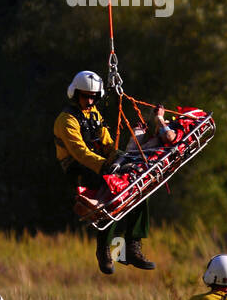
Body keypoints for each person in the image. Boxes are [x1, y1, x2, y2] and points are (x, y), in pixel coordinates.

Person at [54, 69, 155, 275]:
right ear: (76, 94)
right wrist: (107, 166)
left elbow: (107, 144)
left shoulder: (94, 115)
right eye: (85, 96)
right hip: (78, 169)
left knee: (138, 185)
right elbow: (79, 152)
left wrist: (122, 158)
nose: (90, 101)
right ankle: (104, 250)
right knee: (112, 191)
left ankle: (133, 246)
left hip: (99, 165)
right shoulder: (66, 120)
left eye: (93, 97)